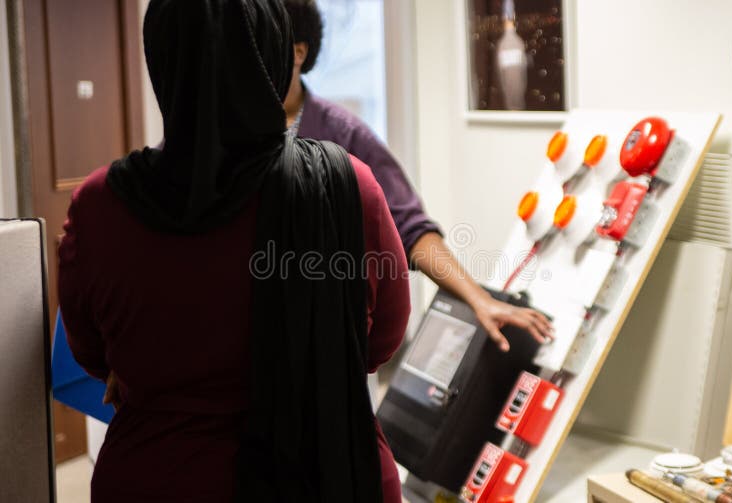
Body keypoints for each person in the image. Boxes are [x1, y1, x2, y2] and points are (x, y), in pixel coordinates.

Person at [58, 1, 409, 502]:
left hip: (157, 474)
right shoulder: (345, 185)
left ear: (160, 59)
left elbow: (90, 354)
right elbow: (383, 340)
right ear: (272, 55)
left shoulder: (98, 204)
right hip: (326, 469)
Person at [282, 0, 553, 350]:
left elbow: (409, 226)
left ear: (298, 52)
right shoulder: (226, 133)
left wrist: (478, 298)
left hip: (323, 340)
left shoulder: (341, 134)